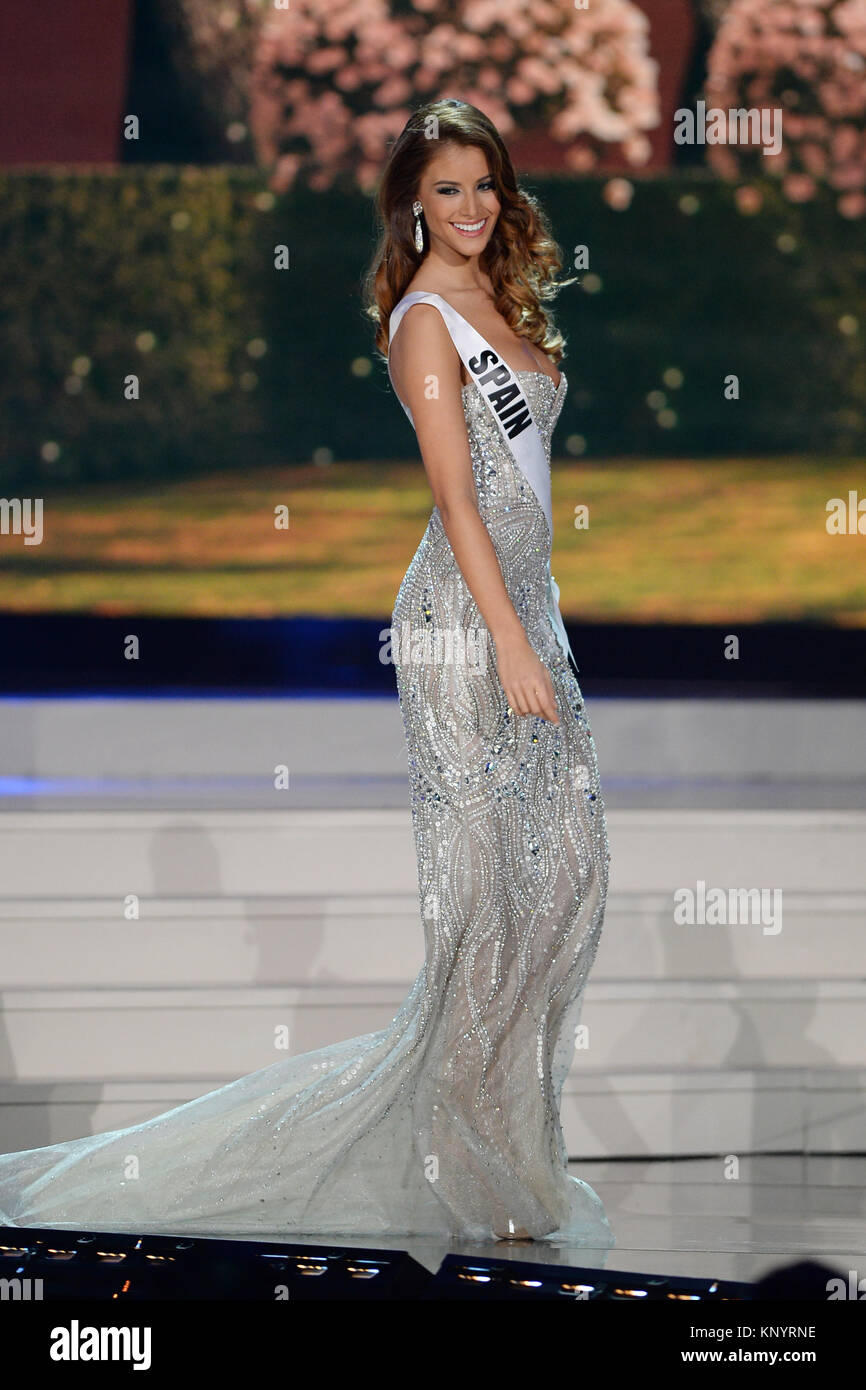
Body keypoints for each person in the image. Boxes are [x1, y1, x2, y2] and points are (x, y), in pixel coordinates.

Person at [0, 98, 612, 1248]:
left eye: (485, 185)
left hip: (530, 612)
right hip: (460, 627)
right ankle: (472, 1169)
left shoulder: (503, 296)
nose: (471, 207)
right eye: (446, 190)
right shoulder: (427, 321)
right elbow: (457, 499)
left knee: (569, 887)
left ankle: (496, 1145)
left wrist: (541, 623)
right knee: (486, 912)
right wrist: (509, 640)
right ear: (410, 205)